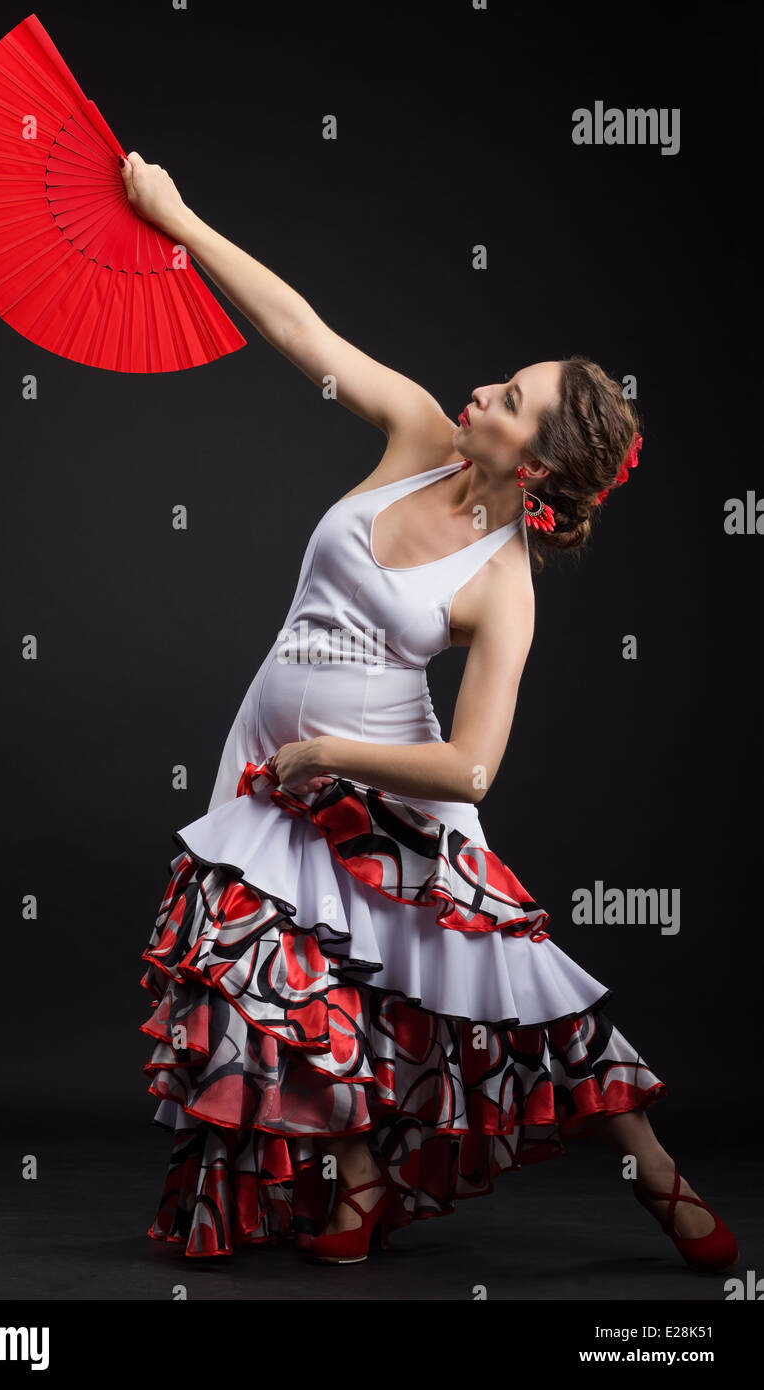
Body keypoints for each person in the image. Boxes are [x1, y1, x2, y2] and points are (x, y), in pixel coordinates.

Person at [125, 152, 738, 1271]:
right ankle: (355, 1181)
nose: (480, 394)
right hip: (273, 763)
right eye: (500, 381)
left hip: (386, 790)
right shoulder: (413, 433)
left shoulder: (504, 585)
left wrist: (324, 751)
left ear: (542, 468)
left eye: (509, 401)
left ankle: (658, 1179)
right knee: (276, 976)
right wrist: (177, 220)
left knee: (513, 991)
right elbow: (297, 326)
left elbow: (468, 771)